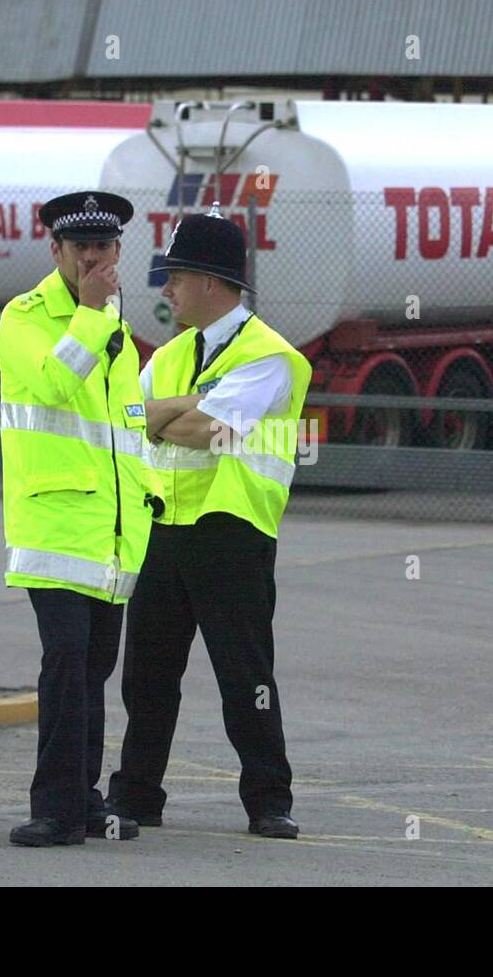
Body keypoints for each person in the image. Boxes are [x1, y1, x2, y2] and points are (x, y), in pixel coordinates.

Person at [105, 207, 312, 839]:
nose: (165, 290)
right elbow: (127, 421)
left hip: (232, 532)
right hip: (163, 528)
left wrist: (165, 413)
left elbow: (211, 432)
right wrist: (182, 407)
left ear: (213, 283)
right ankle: (136, 796)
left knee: (244, 674)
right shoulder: (169, 355)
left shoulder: (271, 357)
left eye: (175, 277)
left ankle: (269, 799)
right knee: (146, 676)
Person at [0, 191, 163, 847]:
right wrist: (91, 316)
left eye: (104, 247)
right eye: (80, 247)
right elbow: (53, 387)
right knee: (65, 663)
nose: (93, 257)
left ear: (119, 252)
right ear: (57, 252)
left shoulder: (116, 329)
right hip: (54, 528)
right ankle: (56, 808)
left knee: (93, 672)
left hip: (113, 534)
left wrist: (148, 496)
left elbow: (125, 428)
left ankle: (86, 801)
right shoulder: (27, 317)